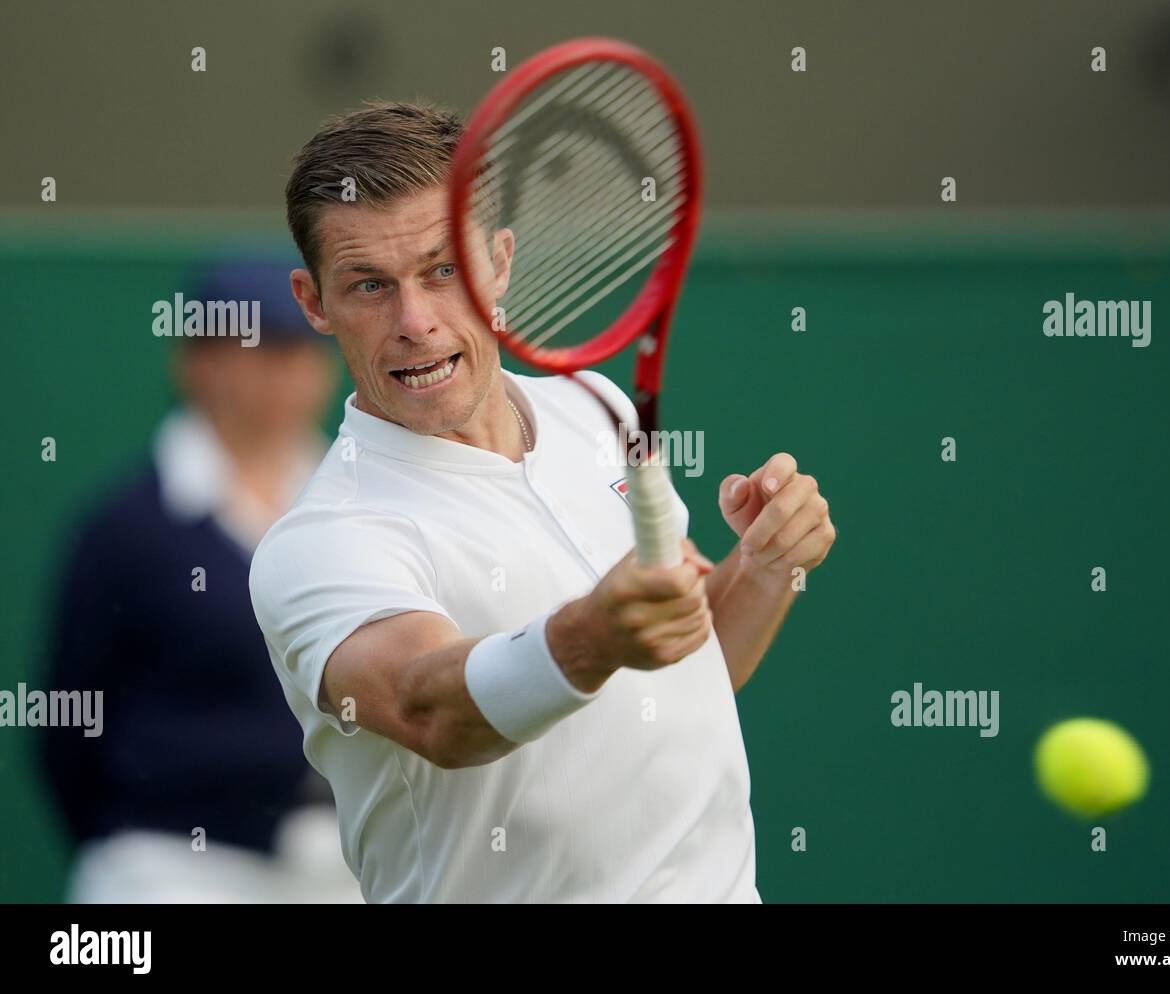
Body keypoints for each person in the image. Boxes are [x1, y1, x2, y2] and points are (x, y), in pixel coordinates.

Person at [250, 102, 836, 903]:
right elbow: (431, 709)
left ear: (500, 262)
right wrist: (590, 632)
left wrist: (764, 566)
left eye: (443, 270)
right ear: (313, 302)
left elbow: (673, 686)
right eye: (369, 286)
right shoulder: (320, 542)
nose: (414, 322)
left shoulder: (598, 409)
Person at [40, 260, 360, 902]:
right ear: (198, 365)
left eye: (301, 349)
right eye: (262, 350)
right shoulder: (125, 529)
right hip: (169, 867)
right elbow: (69, 731)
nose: (289, 372)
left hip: (342, 866)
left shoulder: (362, 509)